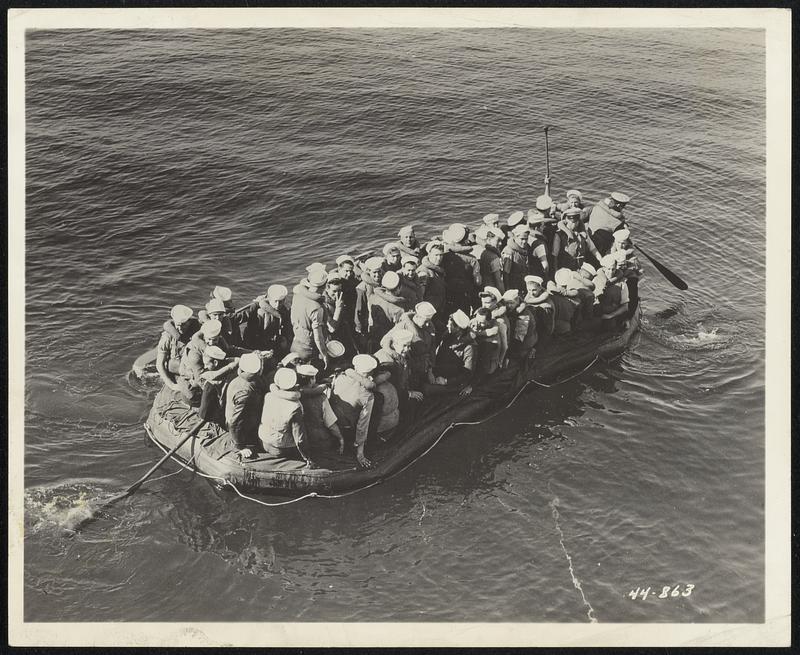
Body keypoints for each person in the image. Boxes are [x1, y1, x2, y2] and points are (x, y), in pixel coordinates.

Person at [380, 301, 444, 393]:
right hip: (409, 371)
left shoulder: (430, 326)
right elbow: (384, 342)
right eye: (426, 321)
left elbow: (432, 350)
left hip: (424, 369)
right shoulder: (404, 325)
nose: (428, 324)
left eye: (429, 321)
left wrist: (430, 371)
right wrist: (399, 357)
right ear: (417, 316)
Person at [329, 354, 379, 468]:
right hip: (348, 429)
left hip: (333, 424)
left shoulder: (339, 378)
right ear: (370, 373)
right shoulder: (367, 395)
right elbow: (363, 425)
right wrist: (360, 453)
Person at [258, 367, 315, 466]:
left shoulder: (269, 396)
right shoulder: (295, 407)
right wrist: (307, 458)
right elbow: (300, 439)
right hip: (280, 449)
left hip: (263, 441)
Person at [296, 363, 345, 455]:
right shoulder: (321, 398)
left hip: (300, 440)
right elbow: (331, 425)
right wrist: (341, 439)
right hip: (318, 441)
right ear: (311, 380)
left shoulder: (294, 395)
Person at [224, 352, 267, 459]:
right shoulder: (246, 393)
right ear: (258, 369)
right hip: (243, 430)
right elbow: (235, 421)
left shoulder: (241, 378)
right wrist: (240, 446)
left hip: (247, 419)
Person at [374, 328, 421, 420]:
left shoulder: (400, 354)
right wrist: (408, 394)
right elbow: (390, 388)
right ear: (394, 344)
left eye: (408, 346)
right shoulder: (387, 362)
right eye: (404, 346)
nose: (407, 349)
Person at [290, 268, 330, 369]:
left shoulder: (297, 296)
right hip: (308, 348)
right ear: (325, 286)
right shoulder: (317, 308)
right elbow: (318, 337)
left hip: (295, 342)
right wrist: (325, 355)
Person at [432, 309, 477, 396]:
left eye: (450, 324)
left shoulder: (470, 347)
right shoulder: (447, 337)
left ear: (458, 328)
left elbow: (467, 373)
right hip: (440, 375)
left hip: (454, 383)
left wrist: (446, 381)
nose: (447, 325)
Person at [156, 304, 200, 391]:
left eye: (183, 325)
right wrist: (171, 385)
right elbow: (159, 364)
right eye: (177, 325)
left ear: (189, 322)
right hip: (176, 365)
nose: (180, 329)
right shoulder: (167, 337)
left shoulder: (196, 330)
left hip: (191, 362)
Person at [239, 284, 292, 356]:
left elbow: (286, 329)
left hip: (272, 340)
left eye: (281, 302)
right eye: (275, 301)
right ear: (269, 299)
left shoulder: (284, 311)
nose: (277, 305)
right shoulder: (259, 312)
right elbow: (252, 335)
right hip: (258, 343)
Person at [441, 223, 482, 314]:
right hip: (465, 294)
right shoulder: (472, 259)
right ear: (466, 239)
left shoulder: (444, 256)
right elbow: (478, 282)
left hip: (448, 293)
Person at [368, 270, 408, 350]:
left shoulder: (373, 298)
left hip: (375, 336)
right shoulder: (399, 309)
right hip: (388, 341)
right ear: (399, 288)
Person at [552, 207, 601, 271]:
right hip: (566, 269)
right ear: (565, 220)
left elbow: (593, 249)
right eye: (571, 219)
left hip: (581, 267)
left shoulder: (583, 234)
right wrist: (556, 271)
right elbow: (555, 255)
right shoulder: (559, 235)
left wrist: (602, 260)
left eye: (576, 219)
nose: (574, 223)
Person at [610, 228, 643, 317]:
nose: (620, 245)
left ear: (627, 243)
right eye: (618, 243)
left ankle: (629, 316)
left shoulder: (631, 255)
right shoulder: (611, 252)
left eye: (623, 243)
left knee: (632, 285)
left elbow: (640, 271)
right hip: (616, 277)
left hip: (628, 277)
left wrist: (631, 269)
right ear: (615, 242)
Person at [354, 256, 385, 348]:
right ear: (368, 272)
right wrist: (359, 327)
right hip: (371, 321)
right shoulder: (362, 288)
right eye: (374, 272)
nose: (377, 275)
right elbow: (359, 309)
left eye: (379, 272)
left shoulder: (384, 282)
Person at [503, 289, 538, 364]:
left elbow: (519, 337)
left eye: (511, 303)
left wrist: (508, 353)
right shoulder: (514, 310)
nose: (508, 306)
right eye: (506, 303)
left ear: (517, 301)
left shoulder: (524, 316)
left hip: (525, 344)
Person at [478, 286, 509, 368]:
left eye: (487, 303)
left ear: (495, 302)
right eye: (482, 302)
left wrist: (500, 362)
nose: (483, 305)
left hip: (491, 358)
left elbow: (505, 346)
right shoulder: (484, 312)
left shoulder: (500, 321)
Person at [417, 241, 448, 322]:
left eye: (441, 255)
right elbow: (420, 296)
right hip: (430, 313)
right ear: (429, 254)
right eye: (436, 255)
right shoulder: (424, 272)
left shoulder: (437, 268)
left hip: (439, 308)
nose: (439, 258)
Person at [502, 223, 532, 294]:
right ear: (515, 237)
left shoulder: (526, 248)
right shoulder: (509, 251)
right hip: (514, 285)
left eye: (526, 239)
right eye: (522, 239)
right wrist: (508, 290)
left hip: (524, 283)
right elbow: (506, 273)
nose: (524, 242)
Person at [469, 307, 501, 376]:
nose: (478, 324)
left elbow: (492, 332)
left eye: (482, 323)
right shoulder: (474, 321)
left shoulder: (494, 325)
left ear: (489, 321)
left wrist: (477, 333)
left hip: (488, 359)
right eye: (477, 320)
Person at [524, 275, 555, 343]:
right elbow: (526, 299)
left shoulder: (545, 298)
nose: (531, 293)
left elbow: (547, 326)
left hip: (544, 332)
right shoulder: (531, 293)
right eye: (529, 290)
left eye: (534, 290)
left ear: (540, 288)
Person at [526, 210, 555, 279]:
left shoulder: (527, 237)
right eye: (542, 226)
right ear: (536, 228)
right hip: (538, 274)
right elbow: (545, 266)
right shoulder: (539, 244)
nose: (543, 227)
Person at [480, 226, 505, 293]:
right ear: (489, 239)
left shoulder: (483, 252)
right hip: (493, 290)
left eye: (501, 241)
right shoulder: (494, 258)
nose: (500, 243)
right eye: (498, 240)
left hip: (484, 287)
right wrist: (503, 295)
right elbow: (498, 281)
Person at [335, 254, 359, 328]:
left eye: (350, 271)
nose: (349, 274)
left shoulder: (351, 278)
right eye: (346, 271)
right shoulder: (336, 283)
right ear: (339, 269)